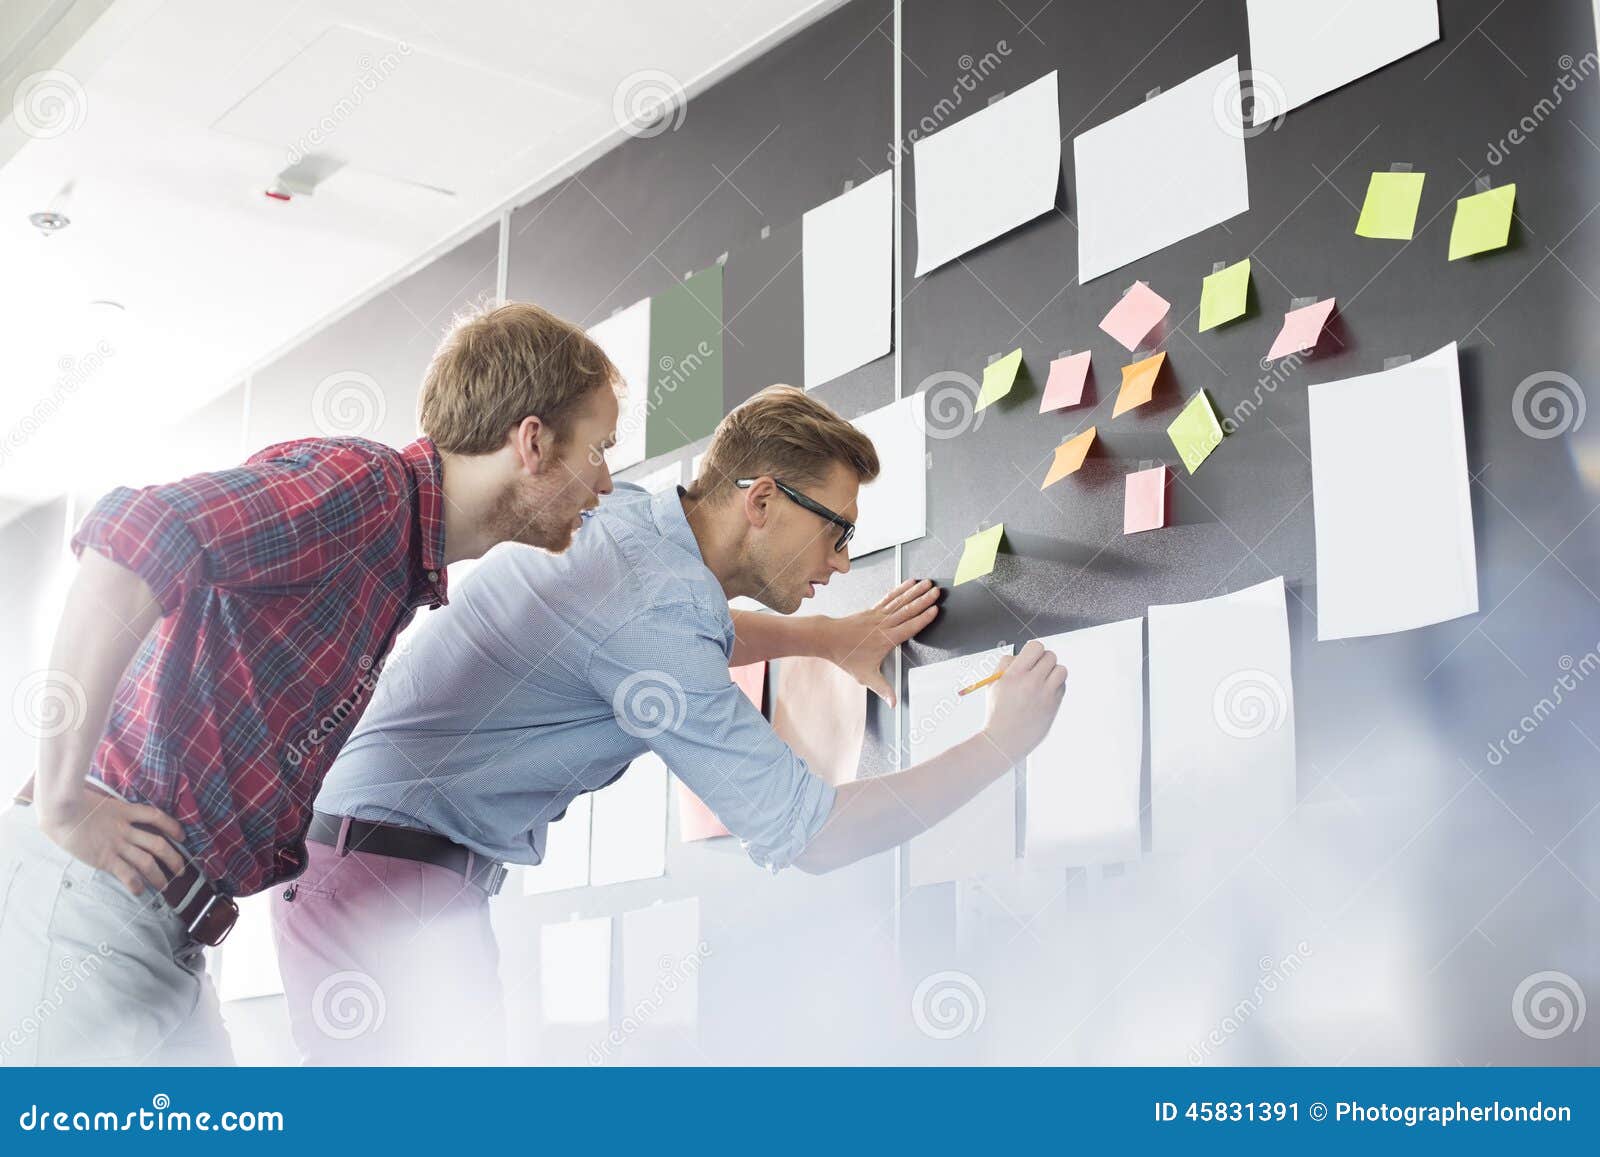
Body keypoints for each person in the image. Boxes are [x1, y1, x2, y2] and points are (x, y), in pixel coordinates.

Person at [272, 385, 1068, 1064]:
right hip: (380, 878)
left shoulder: (633, 521)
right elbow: (814, 835)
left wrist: (828, 638)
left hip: (378, 865)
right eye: (837, 530)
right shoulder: (654, 608)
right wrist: (1001, 743)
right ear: (761, 501)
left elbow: (668, 638)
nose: (841, 563)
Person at [0, 301, 627, 1065]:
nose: (605, 478)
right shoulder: (364, 490)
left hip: (165, 932)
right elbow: (137, 535)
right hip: (91, 903)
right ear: (532, 441)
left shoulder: (399, 563)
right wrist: (63, 803)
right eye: (598, 449)